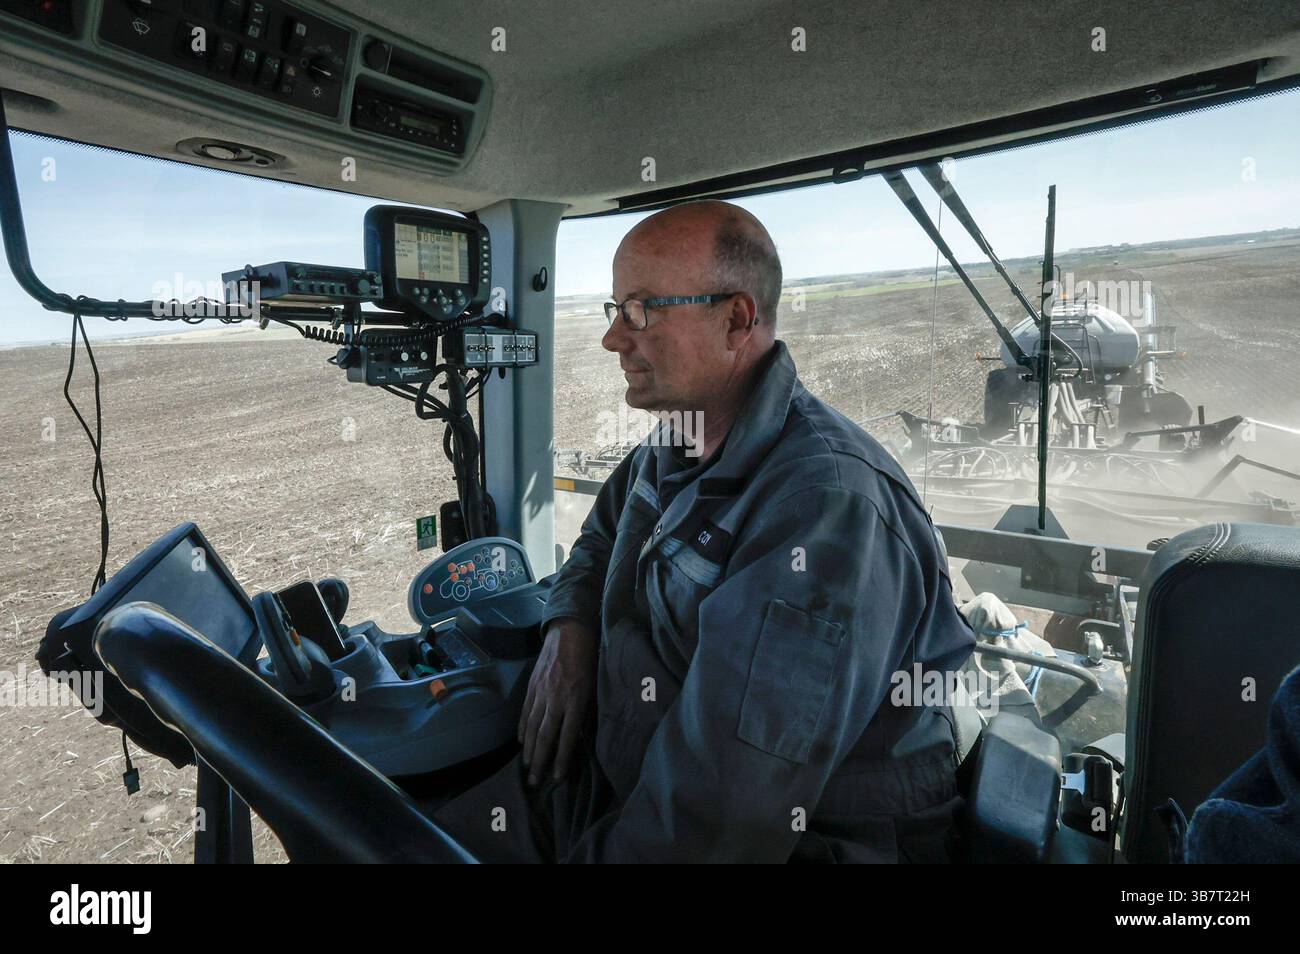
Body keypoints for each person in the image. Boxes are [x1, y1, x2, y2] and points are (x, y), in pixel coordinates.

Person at [433, 199, 975, 862]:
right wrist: (568, 629)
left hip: (783, 842)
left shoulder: (827, 512)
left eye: (639, 310)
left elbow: (715, 826)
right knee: (386, 832)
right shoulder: (680, 439)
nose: (612, 338)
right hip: (611, 781)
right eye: (614, 310)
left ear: (736, 320)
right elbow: (600, 540)